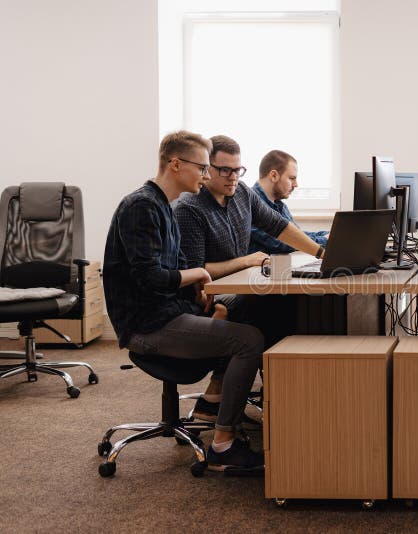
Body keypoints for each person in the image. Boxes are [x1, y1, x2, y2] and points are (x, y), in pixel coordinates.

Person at [103, 130, 265, 470]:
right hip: (147, 326)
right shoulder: (141, 207)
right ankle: (223, 445)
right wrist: (199, 276)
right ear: (176, 164)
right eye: (202, 168)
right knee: (249, 341)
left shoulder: (164, 206)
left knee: (241, 309)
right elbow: (150, 279)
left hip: (165, 313)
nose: (206, 176)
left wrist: (202, 303)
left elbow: (170, 272)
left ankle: (213, 406)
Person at [173, 135, 329, 421]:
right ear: (206, 169)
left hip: (235, 285)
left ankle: (223, 396)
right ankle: (249, 397)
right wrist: (246, 260)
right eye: (225, 171)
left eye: (238, 170)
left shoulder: (242, 194)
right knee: (270, 307)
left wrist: (320, 253)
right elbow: (197, 272)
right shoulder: (190, 208)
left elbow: (279, 227)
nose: (233, 177)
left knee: (288, 301)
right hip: (202, 297)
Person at [249, 150, 328, 254]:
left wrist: (328, 235)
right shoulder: (250, 204)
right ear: (273, 176)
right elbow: (285, 243)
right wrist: (326, 240)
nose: (296, 184)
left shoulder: (279, 204)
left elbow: (298, 236)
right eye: (292, 178)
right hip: (258, 269)